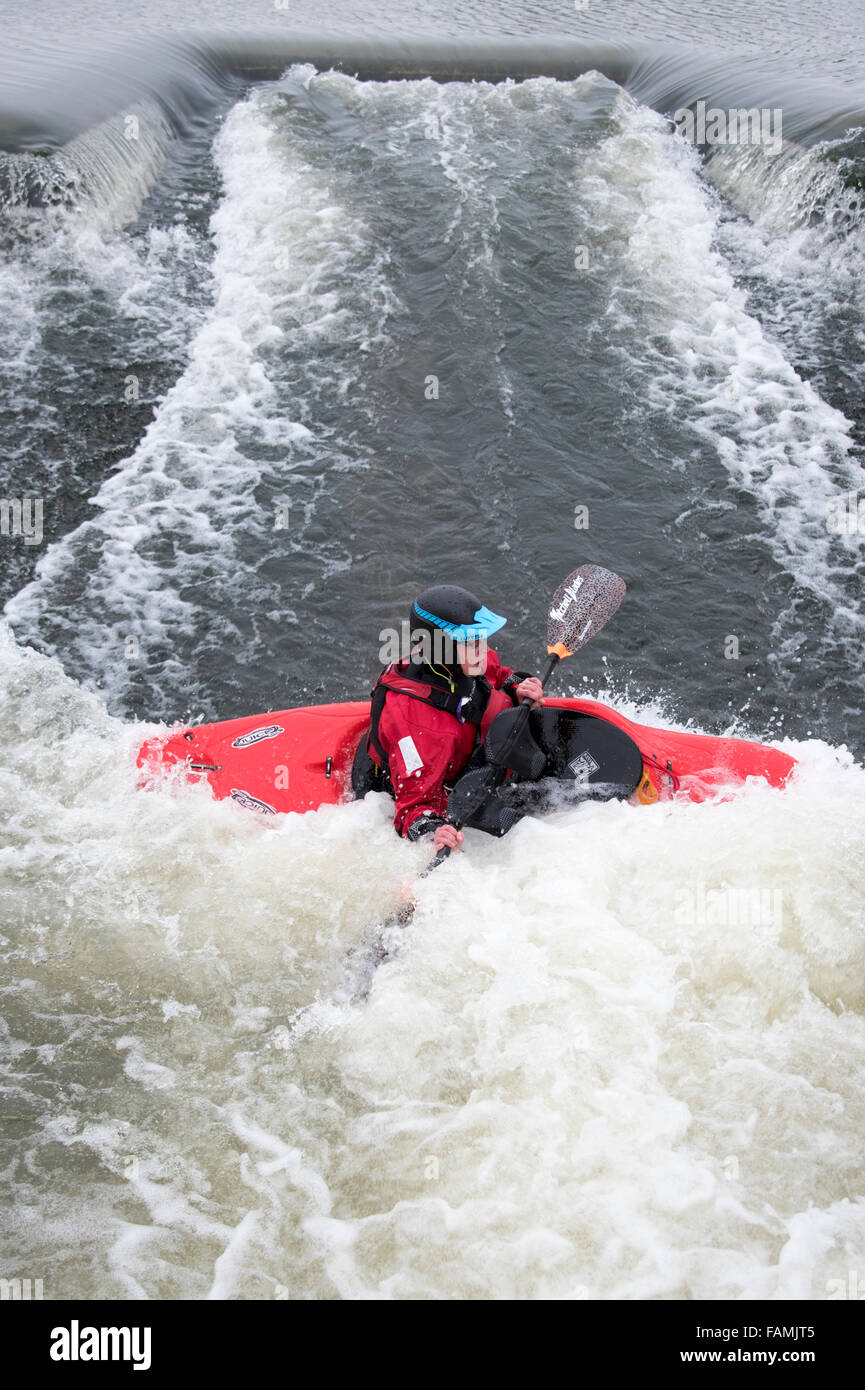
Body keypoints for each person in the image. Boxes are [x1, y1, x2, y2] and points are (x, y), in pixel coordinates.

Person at [366, 585, 543, 853]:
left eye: (481, 639)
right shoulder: (419, 729)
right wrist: (434, 832)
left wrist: (519, 689)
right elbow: (412, 810)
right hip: (428, 778)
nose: (482, 650)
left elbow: (500, 675)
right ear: (442, 649)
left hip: (477, 753)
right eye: (472, 642)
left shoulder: (466, 660)